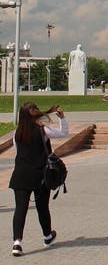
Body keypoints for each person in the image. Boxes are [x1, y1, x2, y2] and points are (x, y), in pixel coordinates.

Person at [9, 102, 69, 257]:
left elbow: (19, 153)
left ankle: (17, 243)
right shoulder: (43, 130)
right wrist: (62, 118)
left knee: (20, 209)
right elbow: (63, 133)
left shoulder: (17, 134)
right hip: (39, 176)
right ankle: (47, 235)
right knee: (42, 207)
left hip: (20, 175)